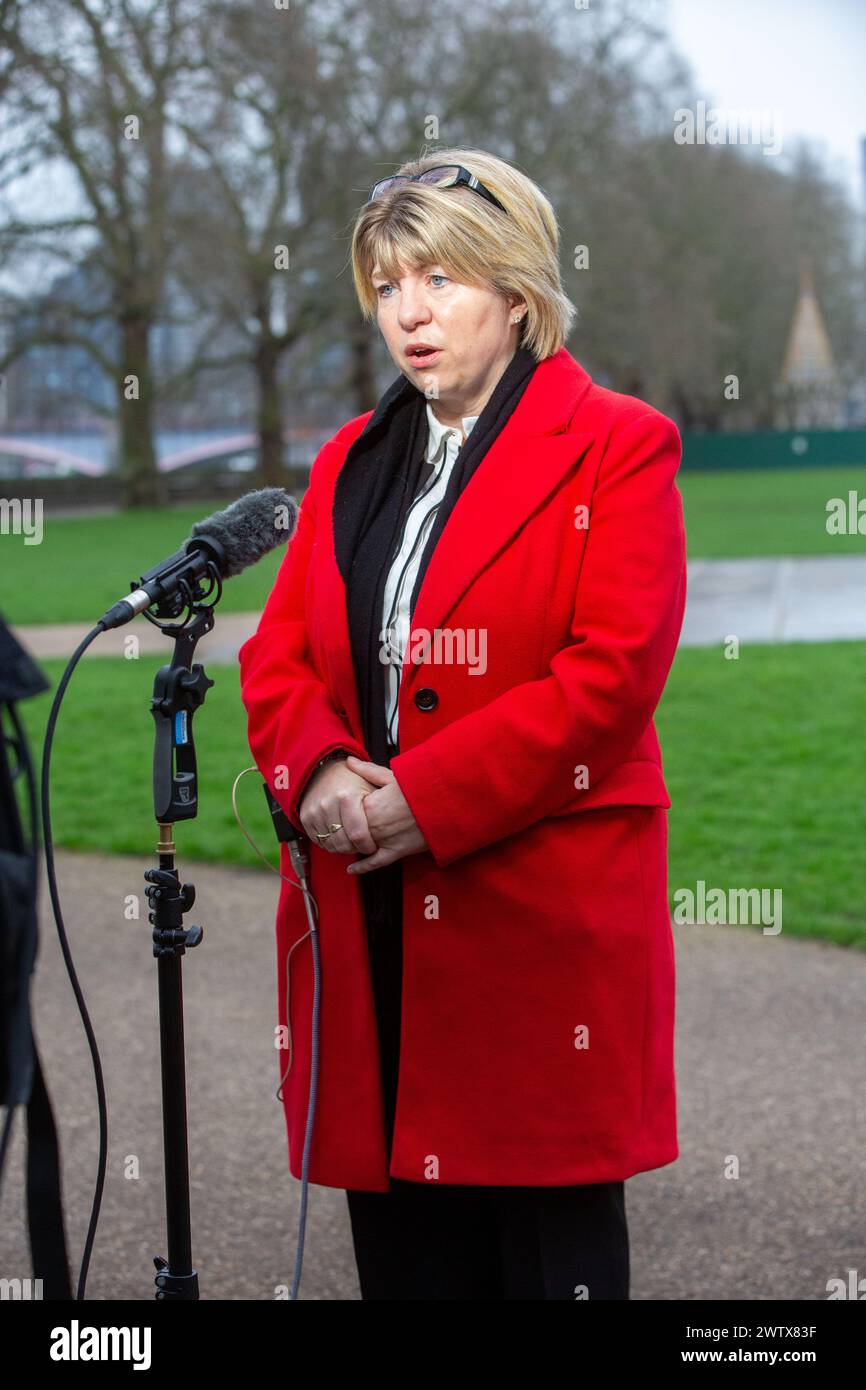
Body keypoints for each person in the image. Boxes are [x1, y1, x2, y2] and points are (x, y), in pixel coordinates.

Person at [238, 146, 687, 1300]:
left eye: (439, 278)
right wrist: (324, 768)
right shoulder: (348, 458)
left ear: (517, 294)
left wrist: (422, 803)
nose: (408, 313)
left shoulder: (618, 443)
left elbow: (610, 676)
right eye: (388, 285)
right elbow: (276, 654)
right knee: (406, 1261)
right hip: (368, 920)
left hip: (533, 926)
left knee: (545, 1262)